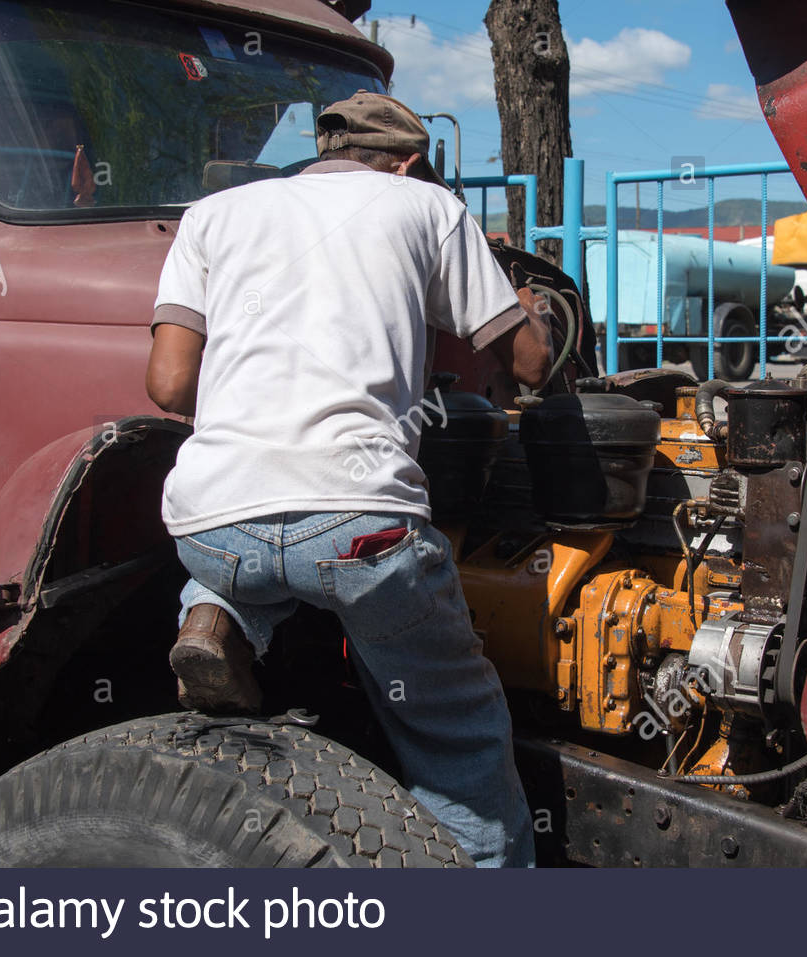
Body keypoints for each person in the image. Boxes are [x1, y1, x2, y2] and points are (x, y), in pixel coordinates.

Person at [144, 91, 551, 867]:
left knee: (251, 552)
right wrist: (528, 308)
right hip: (360, 529)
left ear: (321, 150)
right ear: (407, 163)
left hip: (209, 523)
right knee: (456, 730)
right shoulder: (425, 207)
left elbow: (168, 386)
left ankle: (215, 616)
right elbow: (527, 363)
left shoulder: (215, 213)